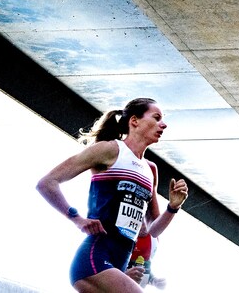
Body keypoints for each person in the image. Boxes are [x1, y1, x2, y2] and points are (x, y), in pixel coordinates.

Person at [36, 98, 189, 293]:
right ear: (134, 121)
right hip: (94, 259)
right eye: (157, 117)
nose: (164, 124)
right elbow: (47, 183)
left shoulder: (150, 169)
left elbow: (152, 230)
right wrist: (77, 219)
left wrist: (173, 207)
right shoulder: (110, 150)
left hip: (120, 263)